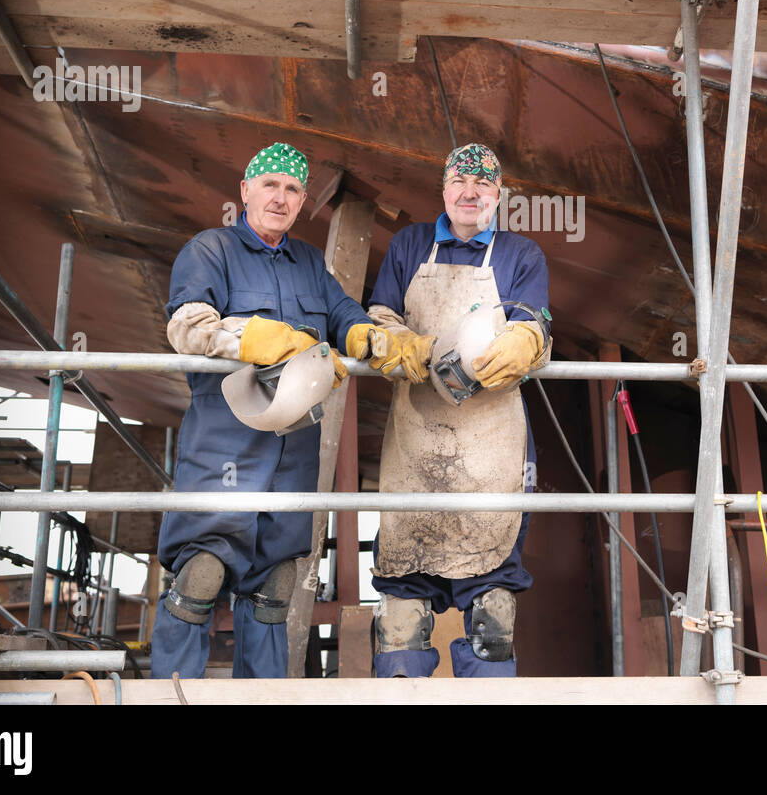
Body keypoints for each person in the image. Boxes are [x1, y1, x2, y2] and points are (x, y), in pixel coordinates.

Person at [151, 142, 423, 679]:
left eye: (293, 189)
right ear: (245, 190)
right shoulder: (210, 249)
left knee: (275, 585)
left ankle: (265, 696)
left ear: (303, 203)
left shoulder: (309, 264)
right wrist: (255, 337)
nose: (280, 197)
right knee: (201, 572)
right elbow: (187, 327)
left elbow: (344, 314)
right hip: (225, 438)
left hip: (294, 443)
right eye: (270, 185)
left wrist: (368, 336)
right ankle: (170, 694)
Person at [366, 142, 551, 678]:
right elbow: (380, 315)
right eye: (458, 182)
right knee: (400, 610)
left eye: (482, 184)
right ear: (443, 190)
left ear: (499, 194)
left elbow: (534, 323)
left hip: (490, 444)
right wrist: (398, 341)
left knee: (493, 612)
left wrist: (526, 339)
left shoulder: (521, 254)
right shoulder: (410, 244)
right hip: (416, 438)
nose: (470, 193)